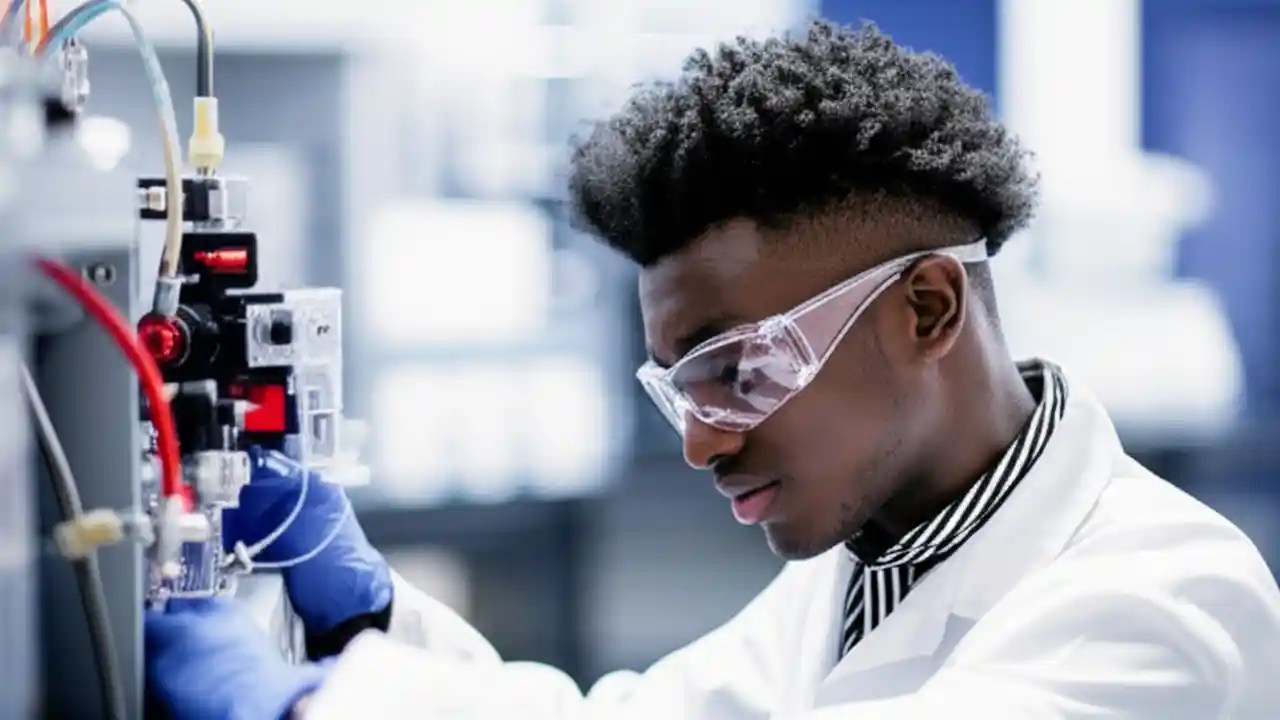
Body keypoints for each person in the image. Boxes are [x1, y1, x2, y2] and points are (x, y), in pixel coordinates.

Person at [145, 20, 1280, 719]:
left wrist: (306, 715)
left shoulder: (1166, 602)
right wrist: (371, 622)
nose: (700, 441)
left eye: (736, 368)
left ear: (926, 308)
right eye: (677, 387)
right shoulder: (878, 556)